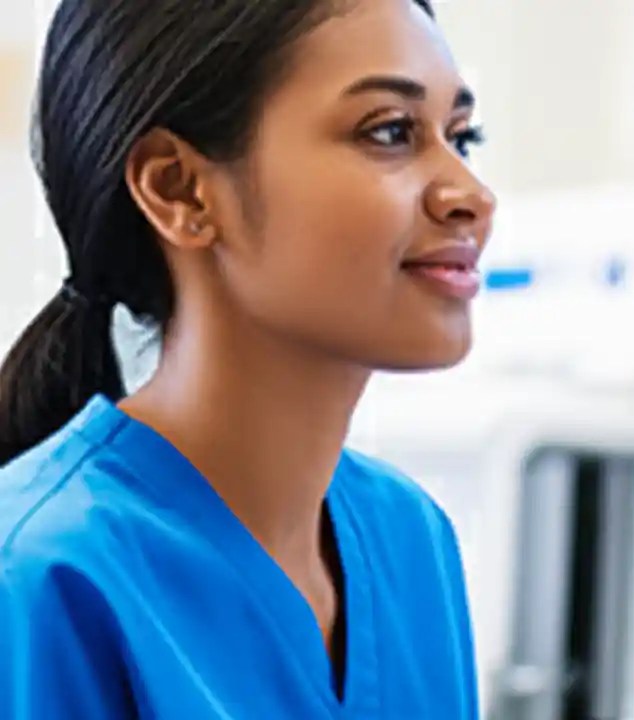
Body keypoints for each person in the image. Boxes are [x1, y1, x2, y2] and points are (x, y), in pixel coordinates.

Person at [0, 0, 495, 717]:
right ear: (179, 189)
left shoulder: (410, 538)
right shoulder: (41, 579)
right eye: (390, 131)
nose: (471, 196)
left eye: (461, 137)